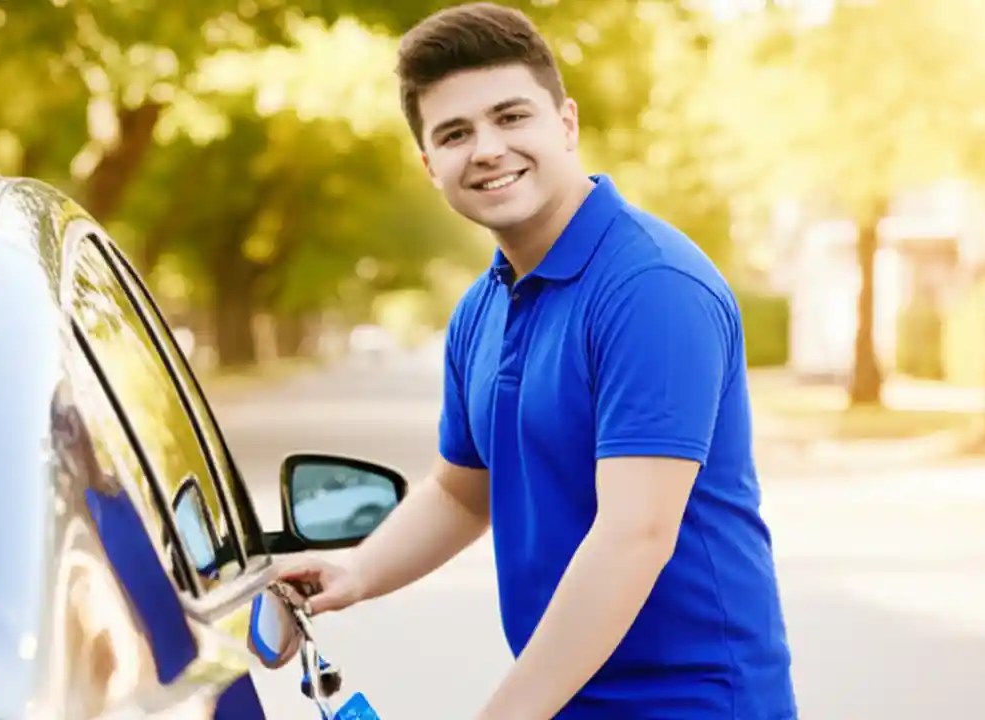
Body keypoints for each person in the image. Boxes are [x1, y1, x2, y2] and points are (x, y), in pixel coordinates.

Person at [273, 3, 797, 718]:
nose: (486, 148)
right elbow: (463, 491)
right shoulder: (482, 307)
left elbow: (634, 534)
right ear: (430, 165)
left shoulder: (651, 287)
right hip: (568, 702)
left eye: (511, 117)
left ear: (567, 123)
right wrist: (357, 570)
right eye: (455, 134)